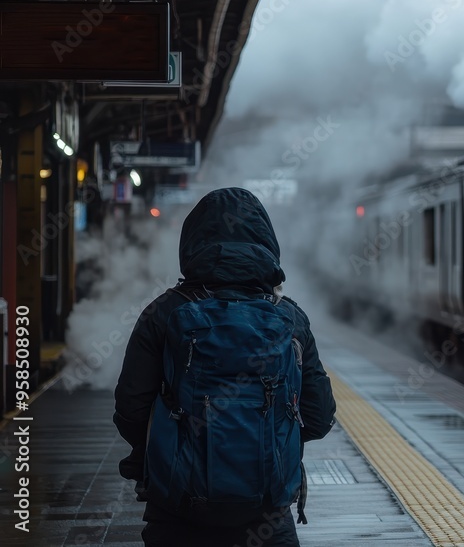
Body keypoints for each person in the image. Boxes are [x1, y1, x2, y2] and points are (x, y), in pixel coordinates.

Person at [114, 187, 336, 546]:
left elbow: (130, 408)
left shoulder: (164, 312)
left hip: (178, 516)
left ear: (192, 242)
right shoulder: (289, 317)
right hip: (267, 519)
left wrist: (172, 453)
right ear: (267, 241)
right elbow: (320, 415)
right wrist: (271, 441)